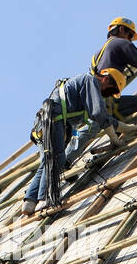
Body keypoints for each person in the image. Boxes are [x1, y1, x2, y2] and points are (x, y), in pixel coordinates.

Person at [21, 68, 126, 215]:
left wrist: (126, 127)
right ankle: (44, 199)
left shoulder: (82, 90)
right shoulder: (91, 81)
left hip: (43, 121)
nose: (106, 94)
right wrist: (114, 138)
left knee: (46, 160)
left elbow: (101, 118)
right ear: (106, 79)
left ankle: (29, 202)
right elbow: (98, 113)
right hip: (53, 119)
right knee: (58, 158)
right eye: (110, 90)